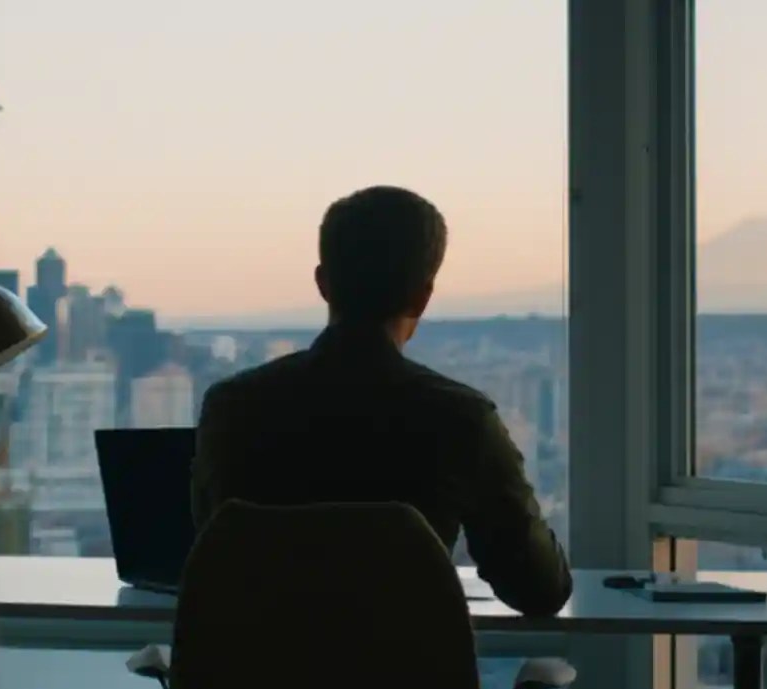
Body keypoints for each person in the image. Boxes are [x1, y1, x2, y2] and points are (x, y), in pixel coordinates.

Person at [191, 185, 572, 616]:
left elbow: (207, 557)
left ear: (323, 284)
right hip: (407, 682)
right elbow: (540, 589)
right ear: (422, 296)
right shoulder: (460, 419)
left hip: (249, 681)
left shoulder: (231, 406)